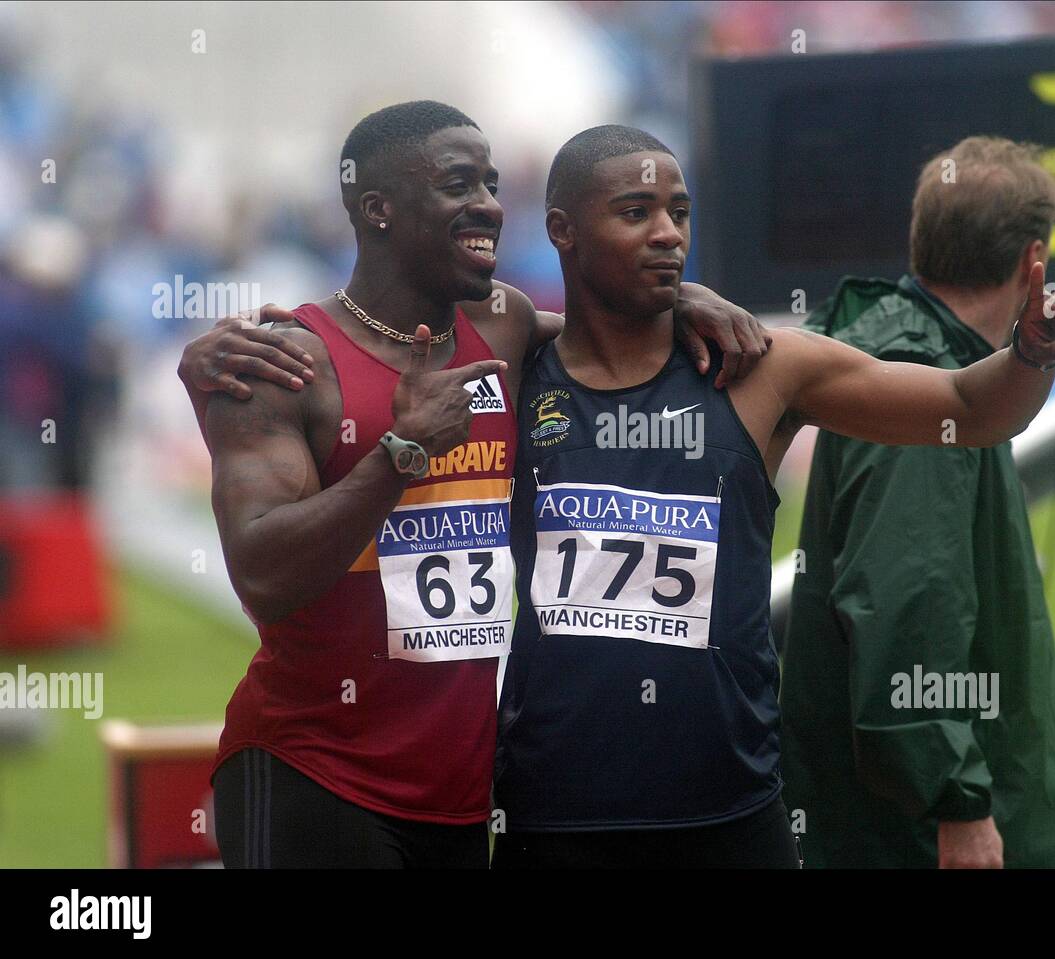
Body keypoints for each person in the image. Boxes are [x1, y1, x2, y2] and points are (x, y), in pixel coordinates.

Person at [489, 126, 1055, 868]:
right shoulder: (516, 370)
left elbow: (967, 409)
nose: (667, 233)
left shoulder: (759, 371)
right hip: (555, 811)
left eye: (679, 212)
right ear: (562, 230)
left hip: (732, 815)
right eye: (634, 211)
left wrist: (1028, 356)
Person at [180, 101, 762, 868]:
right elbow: (262, 574)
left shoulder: (505, 325)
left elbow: (607, 331)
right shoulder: (285, 365)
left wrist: (681, 292)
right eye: (459, 184)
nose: (488, 203)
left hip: (458, 794)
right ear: (376, 208)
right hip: (312, 769)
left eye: (491, 183)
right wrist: (399, 455)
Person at [780, 136, 1055, 869]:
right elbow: (906, 598)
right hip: (913, 837)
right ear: (1031, 263)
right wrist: (958, 803)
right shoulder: (924, 371)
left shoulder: (898, 351)